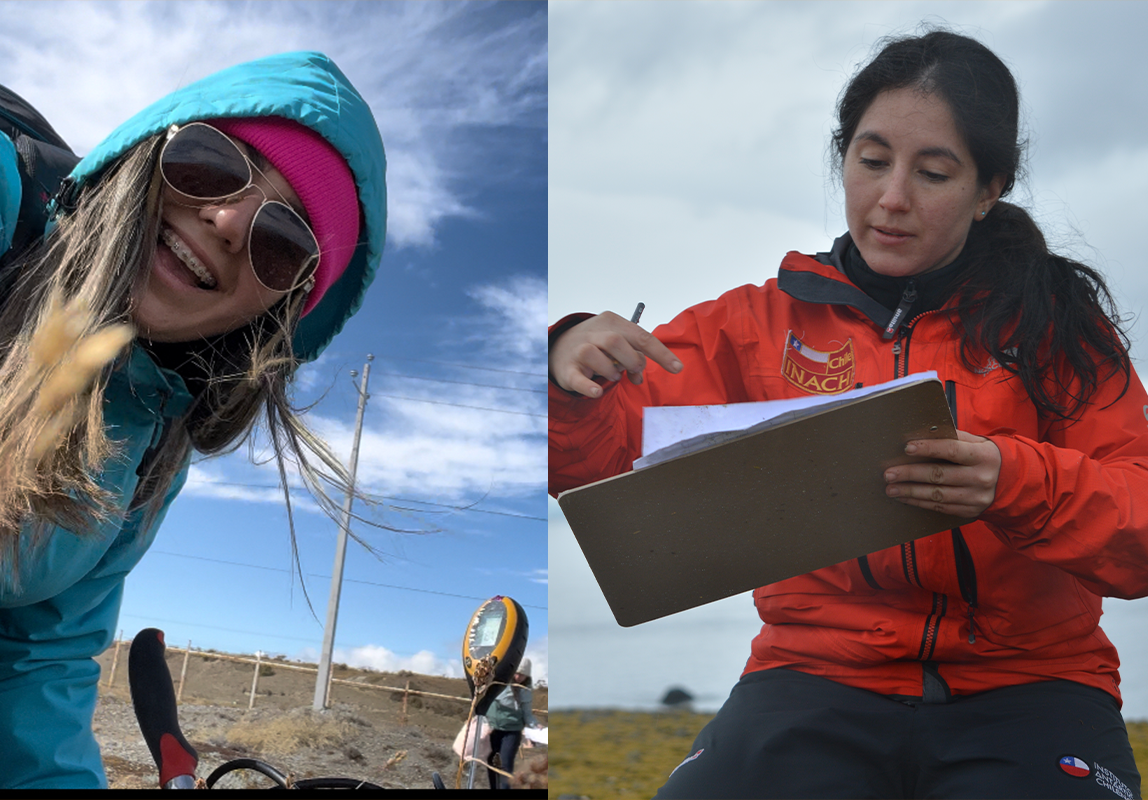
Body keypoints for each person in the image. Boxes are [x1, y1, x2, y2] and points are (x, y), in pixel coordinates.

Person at [548, 29, 1146, 800]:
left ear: (990, 187)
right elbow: (593, 470)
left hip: (1034, 682)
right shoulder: (751, 325)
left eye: (933, 173)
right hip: (811, 672)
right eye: (870, 162)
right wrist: (565, 377)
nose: (892, 198)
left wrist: (1016, 482)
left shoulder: (1061, 330)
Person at [0, 51, 386, 789]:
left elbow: (40, 666)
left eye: (282, 243)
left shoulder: (153, 444)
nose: (223, 219)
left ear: (274, 314)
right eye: (213, 163)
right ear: (150, 149)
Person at [485, 658, 539, 790]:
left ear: (527, 675)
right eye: (516, 673)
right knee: (491, 763)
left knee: (505, 765)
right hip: (492, 729)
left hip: (512, 731)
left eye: (522, 674)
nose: (517, 677)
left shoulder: (525, 690)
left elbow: (527, 713)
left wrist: (535, 726)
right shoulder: (499, 682)